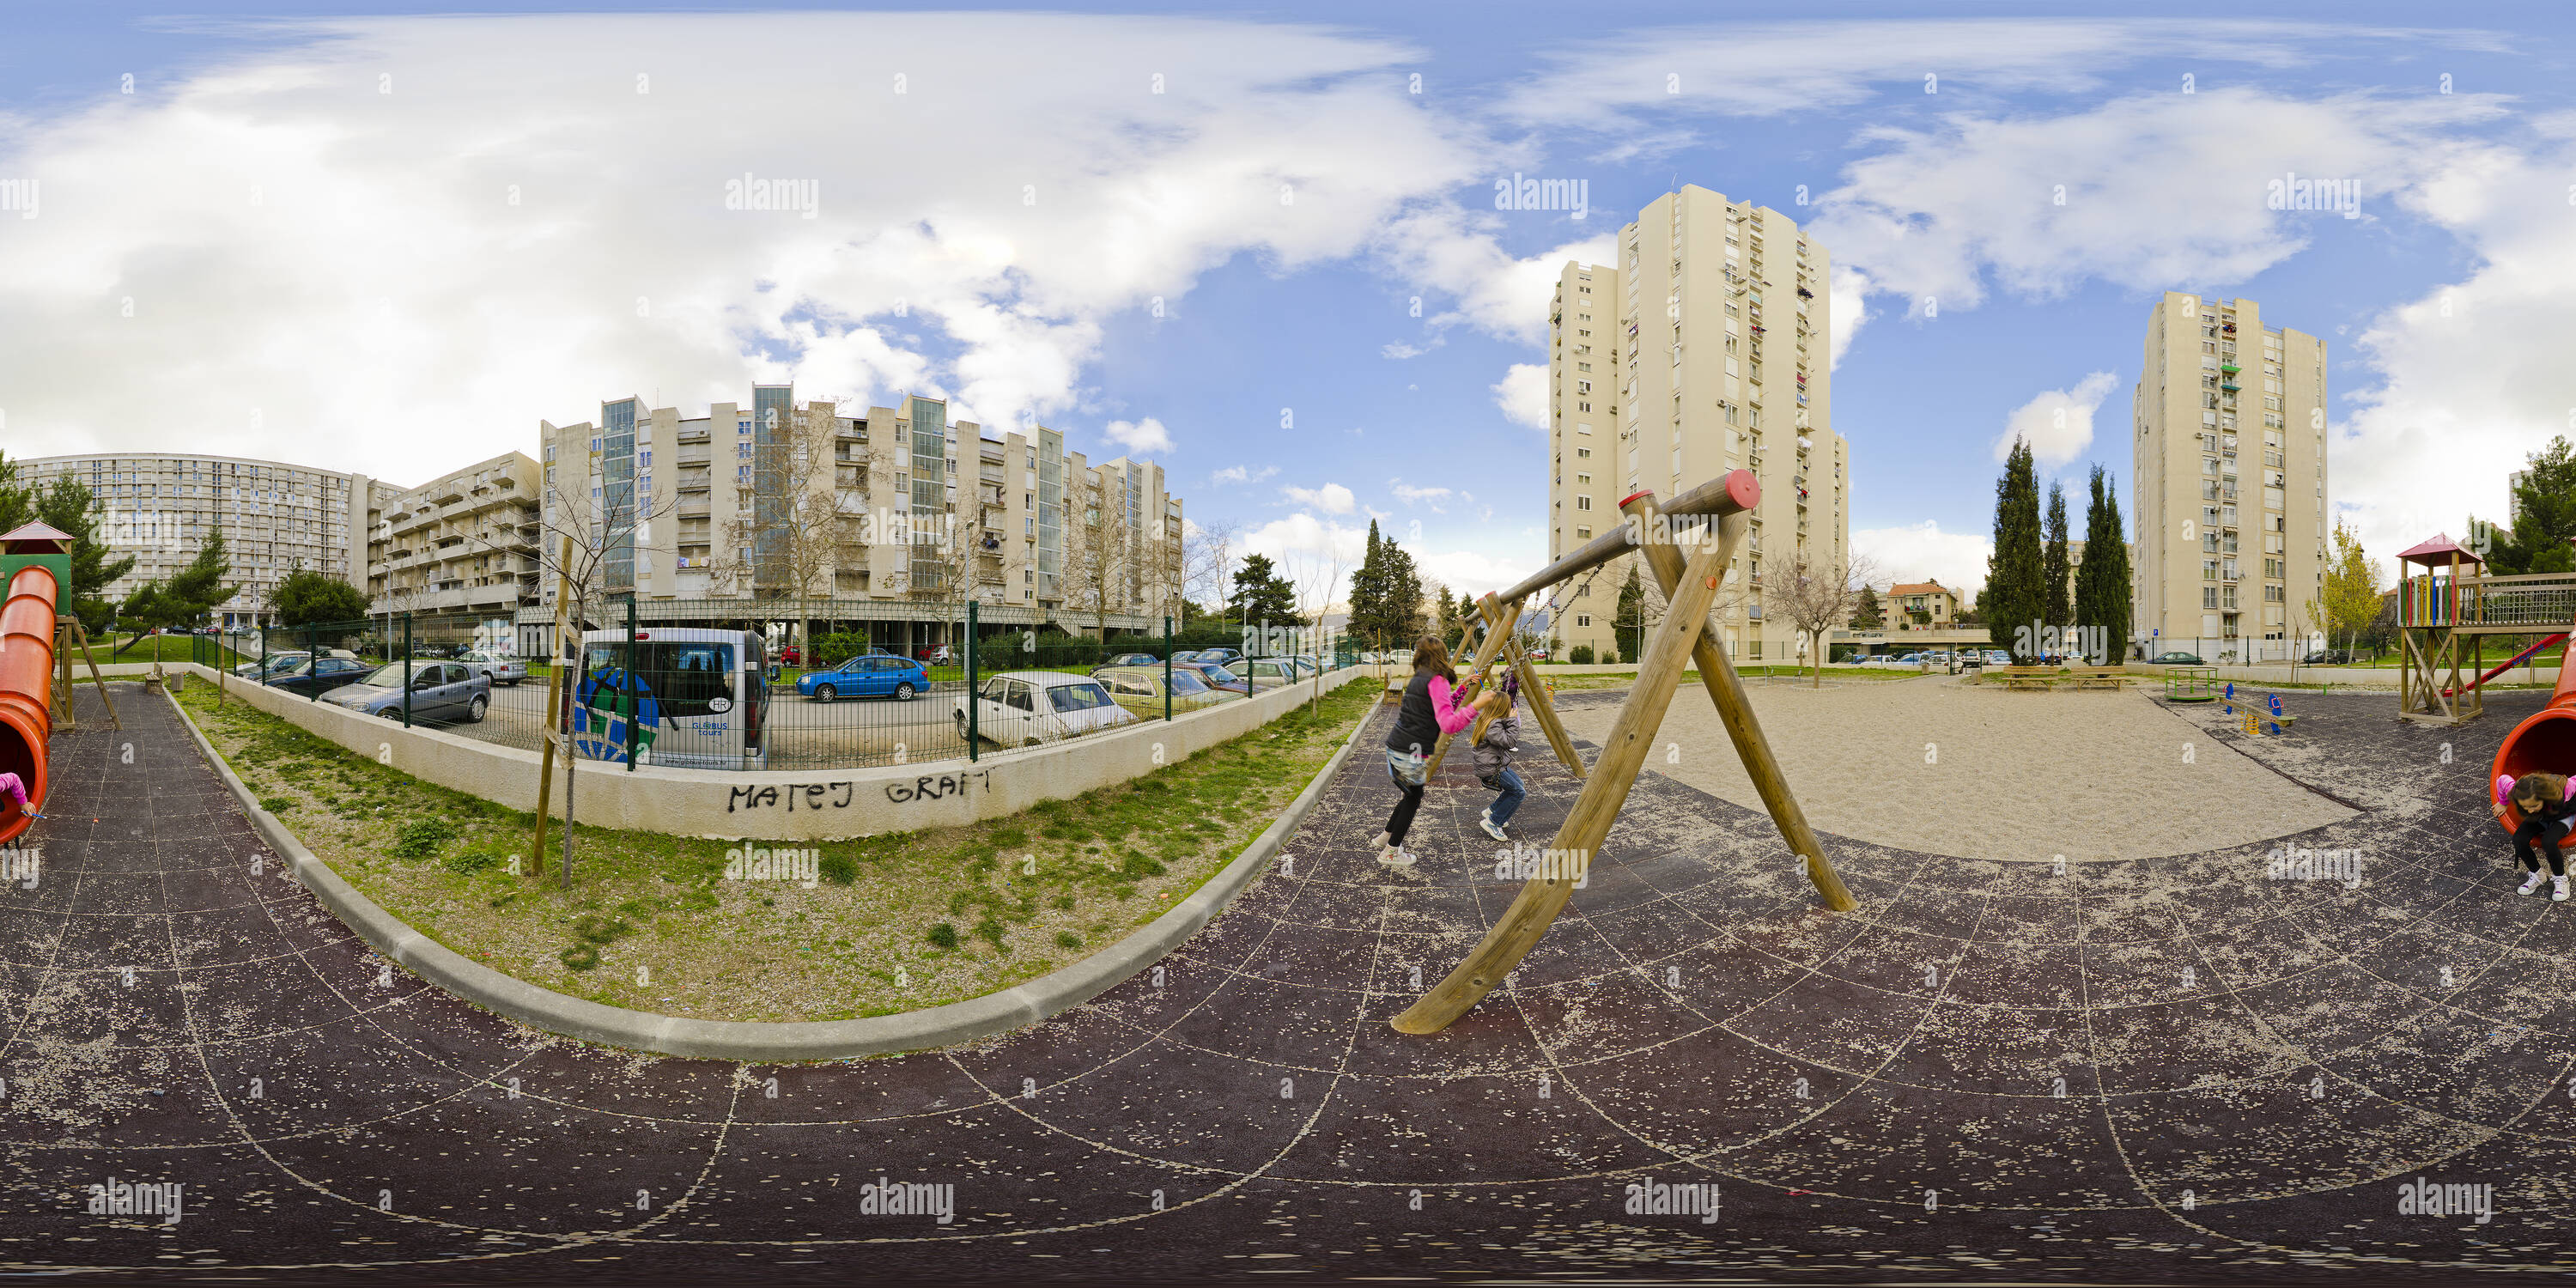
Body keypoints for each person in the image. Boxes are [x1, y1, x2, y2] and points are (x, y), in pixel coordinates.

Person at [1376, 635, 1482, 867]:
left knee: (1410, 794)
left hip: (1397, 746)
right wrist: (1478, 705)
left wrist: (1463, 687)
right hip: (1411, 751)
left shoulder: (1420, 678)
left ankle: (1386, 837)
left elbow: (1441, 707)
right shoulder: (1438, 680)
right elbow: (1448, 724)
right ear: (1442, 655)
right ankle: (1391, 852)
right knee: (1414, 798)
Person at [2496, 772, 2576, 901]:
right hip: (2541, 816)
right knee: (2519, 840)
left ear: (2544, 798)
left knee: (2549, 842)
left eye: (2533, 805)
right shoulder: (2518, 792)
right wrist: (2503, 802)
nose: (2529, 810)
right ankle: (2538, 875)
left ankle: (2561, 879)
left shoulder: (2566, 789)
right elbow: (2502, 780)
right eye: (2525, 807)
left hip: (2563, 816)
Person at [1473, 682, 1523, 841]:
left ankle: (1493, 810)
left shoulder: (1491, 720)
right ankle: (1493, 822)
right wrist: (1512, 721)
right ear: (1503, 708)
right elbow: (1510, 743)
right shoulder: (1493, 725)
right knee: (1519, 792)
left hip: (1495, 764)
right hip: (1491, 768)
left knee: (1519, 784)